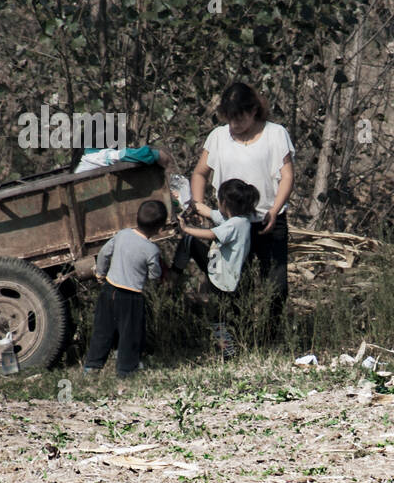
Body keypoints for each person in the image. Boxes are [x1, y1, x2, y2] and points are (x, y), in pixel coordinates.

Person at [189, 83, 294, 326]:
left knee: (276, 285)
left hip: (269, 221)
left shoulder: (275, 133)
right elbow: (199, 173)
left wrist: (274, 210)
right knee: (233, 285)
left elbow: (287, 175)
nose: (235, 124)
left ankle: (270, 336)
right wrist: (198, 205)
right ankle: (237, 336)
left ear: (254, 110)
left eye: (240, 117)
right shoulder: (217, 137)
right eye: (230, 118)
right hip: (231, 224)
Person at [176, 179, 259, 358]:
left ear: (225, 202)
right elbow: (208, 212)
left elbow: (212, 233)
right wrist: (188, 202)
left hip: (222, 277)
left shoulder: (234, 225)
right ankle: (235, 348)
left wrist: (186, 228)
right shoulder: (240, 219)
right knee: (232, 314)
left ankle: (229, 352)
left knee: (219, 316)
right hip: (220, 269)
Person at [84, 199, 167, 377]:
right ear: (160, 228)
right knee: (130, 334)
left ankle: (92, 367)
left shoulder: (122, 234)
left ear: (136, 217)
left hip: (109, 289)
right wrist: (155, 281)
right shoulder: (151, 249)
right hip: (131, 297)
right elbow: (154, 275)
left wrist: (100, 274)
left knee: (102, 330)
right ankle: (126, 370)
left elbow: (105, 253)